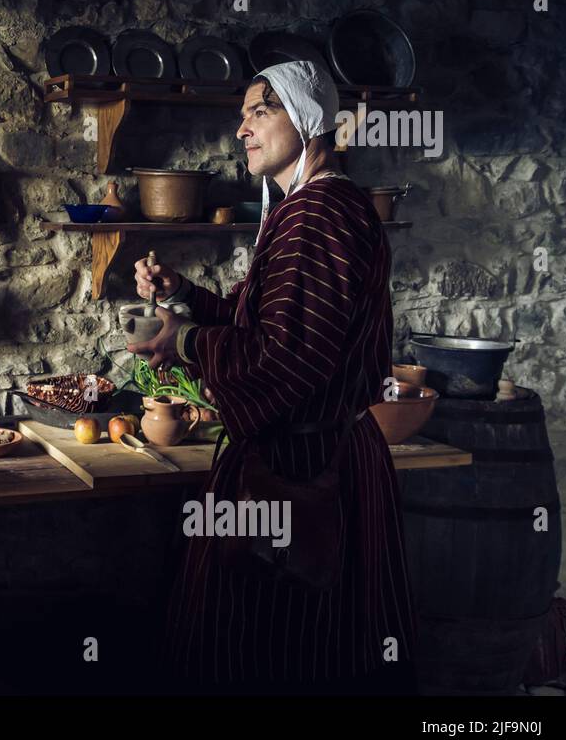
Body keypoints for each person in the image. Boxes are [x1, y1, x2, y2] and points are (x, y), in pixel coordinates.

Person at [127, 60, 416, 694]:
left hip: (309, 466)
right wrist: (189, 300)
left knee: (284, 649)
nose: (242, 129)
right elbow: (263, 319)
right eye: (243, 115)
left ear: (308, 119)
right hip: (308, 457)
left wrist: (185, 343)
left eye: (260, 111)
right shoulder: (305, 210)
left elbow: (287, 356)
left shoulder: (320, 213)